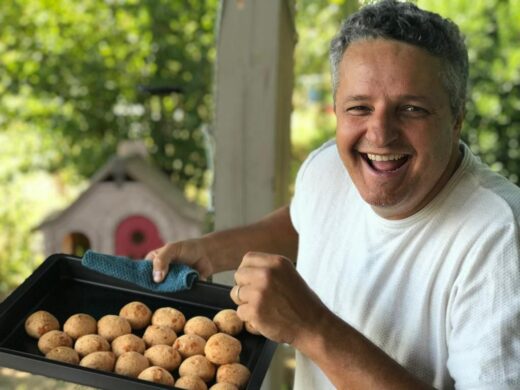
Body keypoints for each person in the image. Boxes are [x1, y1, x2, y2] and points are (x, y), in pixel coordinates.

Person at [147, 1, 520, 388]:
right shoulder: (330, 168)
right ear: (337, 111)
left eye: (411, 109)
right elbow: (306, 223)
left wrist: (312, 326)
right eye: (359, 107)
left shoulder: (500, 238)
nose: (380, 134)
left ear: (457, 119)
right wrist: (210, 251)